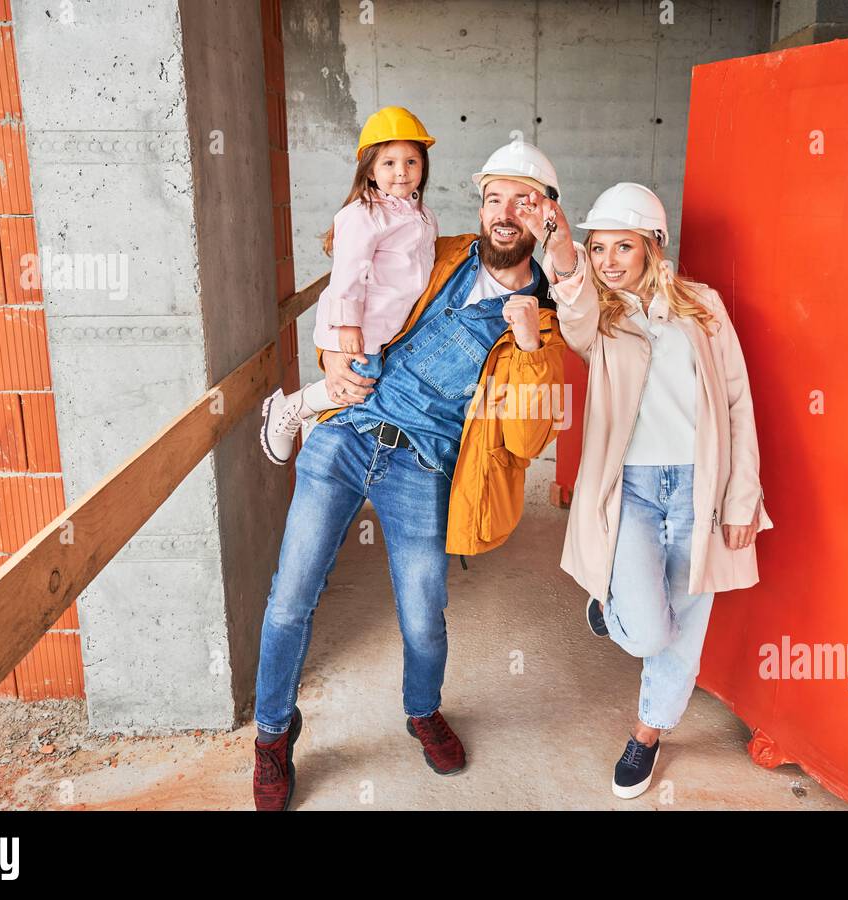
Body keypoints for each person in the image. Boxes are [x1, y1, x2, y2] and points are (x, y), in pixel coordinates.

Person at [251, 139, 597, 811]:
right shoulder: (439, 251)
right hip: (347, 433)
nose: (504, 214)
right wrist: (331, 359)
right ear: (480, 206)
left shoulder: (548, 318)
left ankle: (421, 710)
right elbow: (359, 284)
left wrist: (529, 346)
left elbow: (527, 439)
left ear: (546, 215)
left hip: (423, 463)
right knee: (291, 596)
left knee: (423, 617)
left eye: (522, 203)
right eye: (493, 198)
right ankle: (272, 734)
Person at [549, 182, 773, 799]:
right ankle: (609, 607)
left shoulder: (703, 307)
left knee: (687, 628)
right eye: (598, 248)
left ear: (653, 245)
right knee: (650, 631)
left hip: (700, 490)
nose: (608, 261)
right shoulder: (599, 315)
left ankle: (647, 735)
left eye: (622, 246)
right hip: (633, 492)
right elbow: (573, 310)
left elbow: (738, 402)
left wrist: (741, 499)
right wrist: (564, 251)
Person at [260, 106, 439, 463]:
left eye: (411, 162)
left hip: (388, 326)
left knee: (368, 386)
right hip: (360, 327)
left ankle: (323, 422)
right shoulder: (364, 214)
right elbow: (348, 273)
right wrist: (348, 324)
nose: (401, 171)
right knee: (356, 385)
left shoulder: (423, 216)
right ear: (370, 170)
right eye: (389, 163)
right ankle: (294, 408)